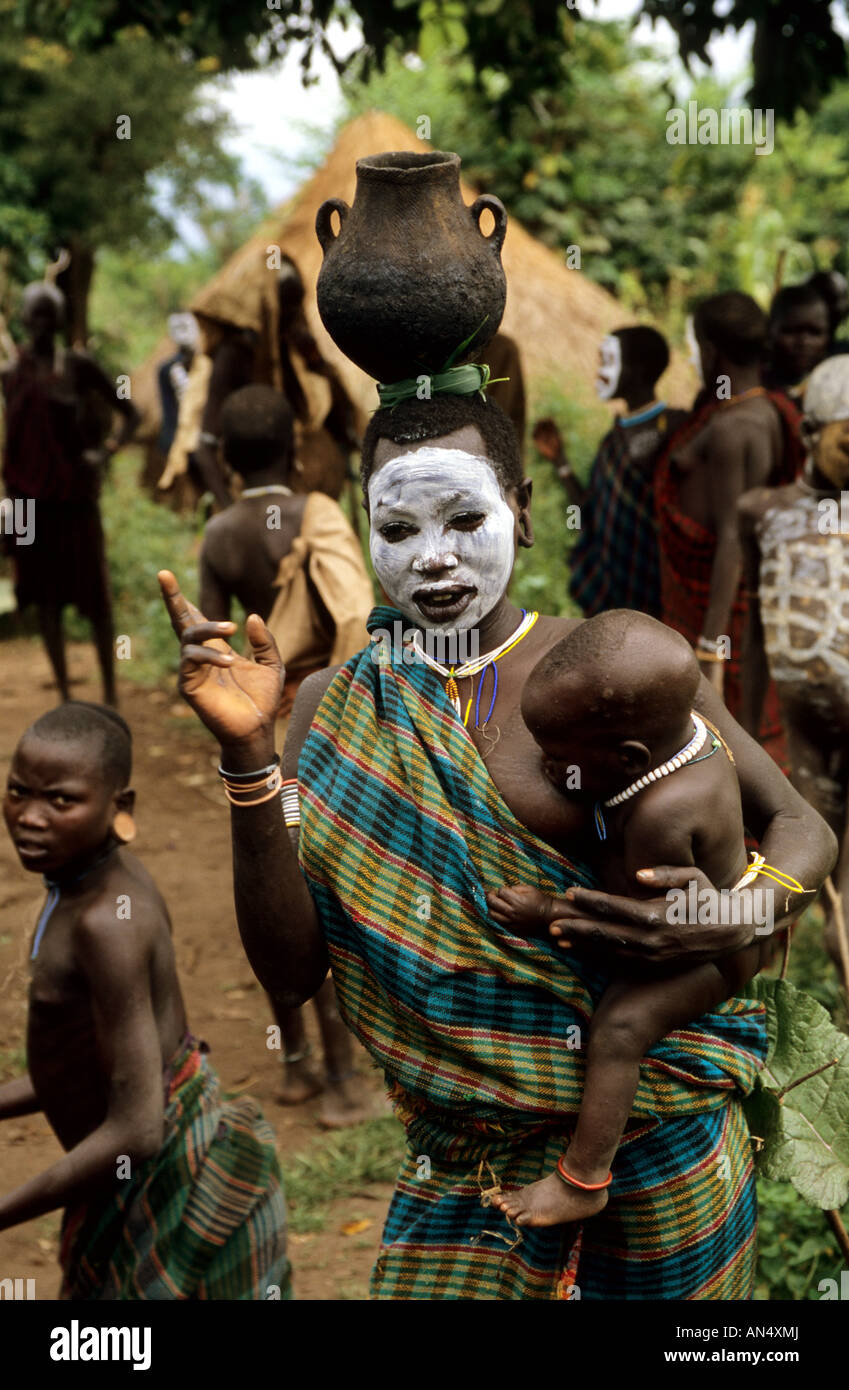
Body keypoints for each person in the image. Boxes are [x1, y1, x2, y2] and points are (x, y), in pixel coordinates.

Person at [159, 386, 833, 1301]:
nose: (433, 560)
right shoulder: (334, 708)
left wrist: (733, 914)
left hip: (660, 1147)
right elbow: (290, 972)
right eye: (396, 530)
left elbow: (802, 825)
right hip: (467, 1170)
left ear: (520, 511)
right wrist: (249, 759)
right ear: (363, 533)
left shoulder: (616, 670)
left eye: (465, 516)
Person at [485, 610, 774, 1228]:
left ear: (627, 758)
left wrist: (549, 912)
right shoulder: (688, 737)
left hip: (712, 953)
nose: (546, 766)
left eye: (560, 760)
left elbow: (647, 927)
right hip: (716, 915)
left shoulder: (659, 819)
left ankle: (584, 1179)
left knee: (619, 1026)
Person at [0, 701, 290, 1299]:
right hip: (124, 1165)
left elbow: (136, 1131)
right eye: (18, 792)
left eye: (61, 801)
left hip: (154, 1172)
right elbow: (85, 1062)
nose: (30, 818)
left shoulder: (107, 923)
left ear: (120, 808)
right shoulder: (79, 885)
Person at [199, 384, 375, 1125]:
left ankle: (298, 1063)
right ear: (296, 448)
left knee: (270, 876)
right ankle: (342, 1077)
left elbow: (210, 644)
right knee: (319, 893)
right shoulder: (318, 515)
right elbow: (357, 617)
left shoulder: (219, 534)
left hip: (254, 722)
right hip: (319, 717)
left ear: (228, 462)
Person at [655, 292, 804, 761]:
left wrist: (710, 648)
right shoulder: (752, 410)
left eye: (697, 345)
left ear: (713, 351)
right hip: (714, 607)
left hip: (717, 613)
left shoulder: (736, 428)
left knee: (722, 740)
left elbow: (734, 540)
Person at [739, 354, 849, 972]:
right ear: (810, 434)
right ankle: (755, 1030)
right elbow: (754, 632)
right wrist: (747, 731)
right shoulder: (765, 511)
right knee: (789, 880)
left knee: (846, 917)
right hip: (805, 736)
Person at [1, 283, 138, 705]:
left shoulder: (78, 367)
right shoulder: (10, 376)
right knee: (42, 599)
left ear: (59, 321)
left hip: (77, 502)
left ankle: (111, 692)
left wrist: (107, 451)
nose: (41, 325)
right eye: (35, 316)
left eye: (49, 316)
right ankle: (63, 695)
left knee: (95, 598)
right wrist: (10, 525)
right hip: (26, 505)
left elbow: (130, 410)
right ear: (24, 320)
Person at [535, 326, 685, 619]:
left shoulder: (676, 429)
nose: (599, 373)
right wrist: (560, 462)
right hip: (612, 601)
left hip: (660, 599)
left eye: (609, 362)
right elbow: (588, 517)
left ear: (639, 371)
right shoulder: (612, 442)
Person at [765, 282, 832, 407]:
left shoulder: (837, 390)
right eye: (791, 331)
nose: (804, 342)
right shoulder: (754, 390)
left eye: (815, 332)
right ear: (770, 331)